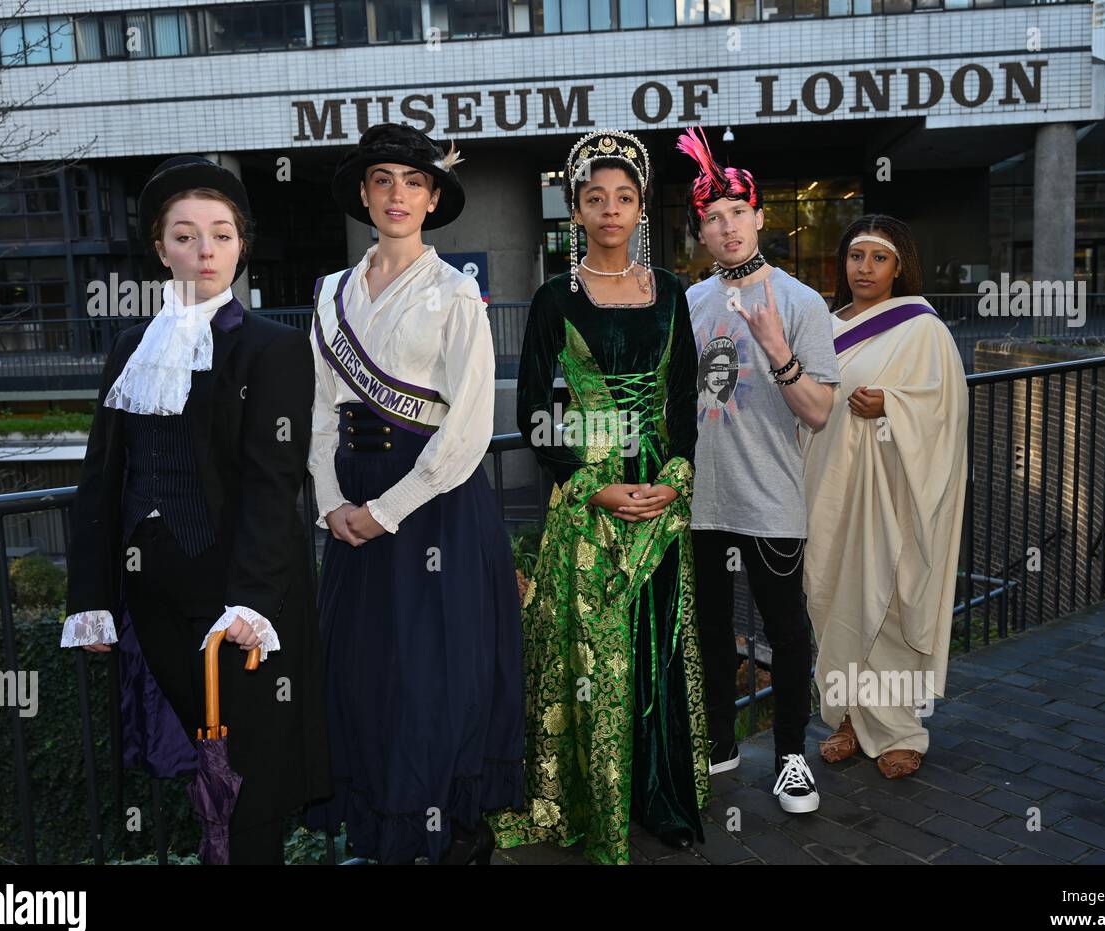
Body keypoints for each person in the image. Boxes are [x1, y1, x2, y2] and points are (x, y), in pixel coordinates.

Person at [60, 156, 331, 864]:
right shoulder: (129, 348)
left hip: (239, 599)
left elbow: (276, 484)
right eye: (184, 236)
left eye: (220, 235)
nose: (203, 251)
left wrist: (248, 602)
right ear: (160, 249)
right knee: (200, 771)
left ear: (241, 244)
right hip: (151, 598)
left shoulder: (273, 348)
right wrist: (90, 597)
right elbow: (101, 480)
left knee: (250, 780)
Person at [304, 123, 524, 864]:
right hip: (352, 507)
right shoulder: (329, 294)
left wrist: (383, 512)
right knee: (366, 677)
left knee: (435, 675)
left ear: (433, 199)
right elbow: (318, 412)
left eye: (413, 182)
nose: (397, 195)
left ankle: (452, 829)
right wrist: (332, 501)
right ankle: (384, 828)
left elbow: (466, 429)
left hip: (432, 506)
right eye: (383, 180)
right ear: (364, 195)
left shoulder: (456, 293)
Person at [491, 129, 707, 864]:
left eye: (623, 198)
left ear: (641, 207)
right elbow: (531, 412)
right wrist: (595, 486)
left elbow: (683, 400)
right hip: (590, 497)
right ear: (575, 210)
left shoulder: (671, 291)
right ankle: (595, 799)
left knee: (655, 649)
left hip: (660, 495)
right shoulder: (556, 297)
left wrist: (674, 478)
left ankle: (663, 795)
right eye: (594, 199)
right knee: (592, 657)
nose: (610, 210)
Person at [677, 126, 840, 813]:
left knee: (787, 630)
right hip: (704, 499)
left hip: (772, 496)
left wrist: (776, 349)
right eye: (712, 219)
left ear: (760, 217)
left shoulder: (801, 303)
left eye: (737, 212)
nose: (727, 227)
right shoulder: (689, 305)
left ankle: (793, 758)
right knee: (711, 629)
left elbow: (820, 412)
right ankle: (718, 741)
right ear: (702, 234)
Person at [804, 214, 968, 780]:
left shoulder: (923, 329)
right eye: (855, 256)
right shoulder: (822, 325)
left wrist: (892, 406)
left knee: (890, 602)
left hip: (895, 494)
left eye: (878, 258)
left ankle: (899, 730)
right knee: (832, 602)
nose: (864, 268)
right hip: (828, 493)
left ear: (900, 267)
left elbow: (946, 412)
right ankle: (847, 718)